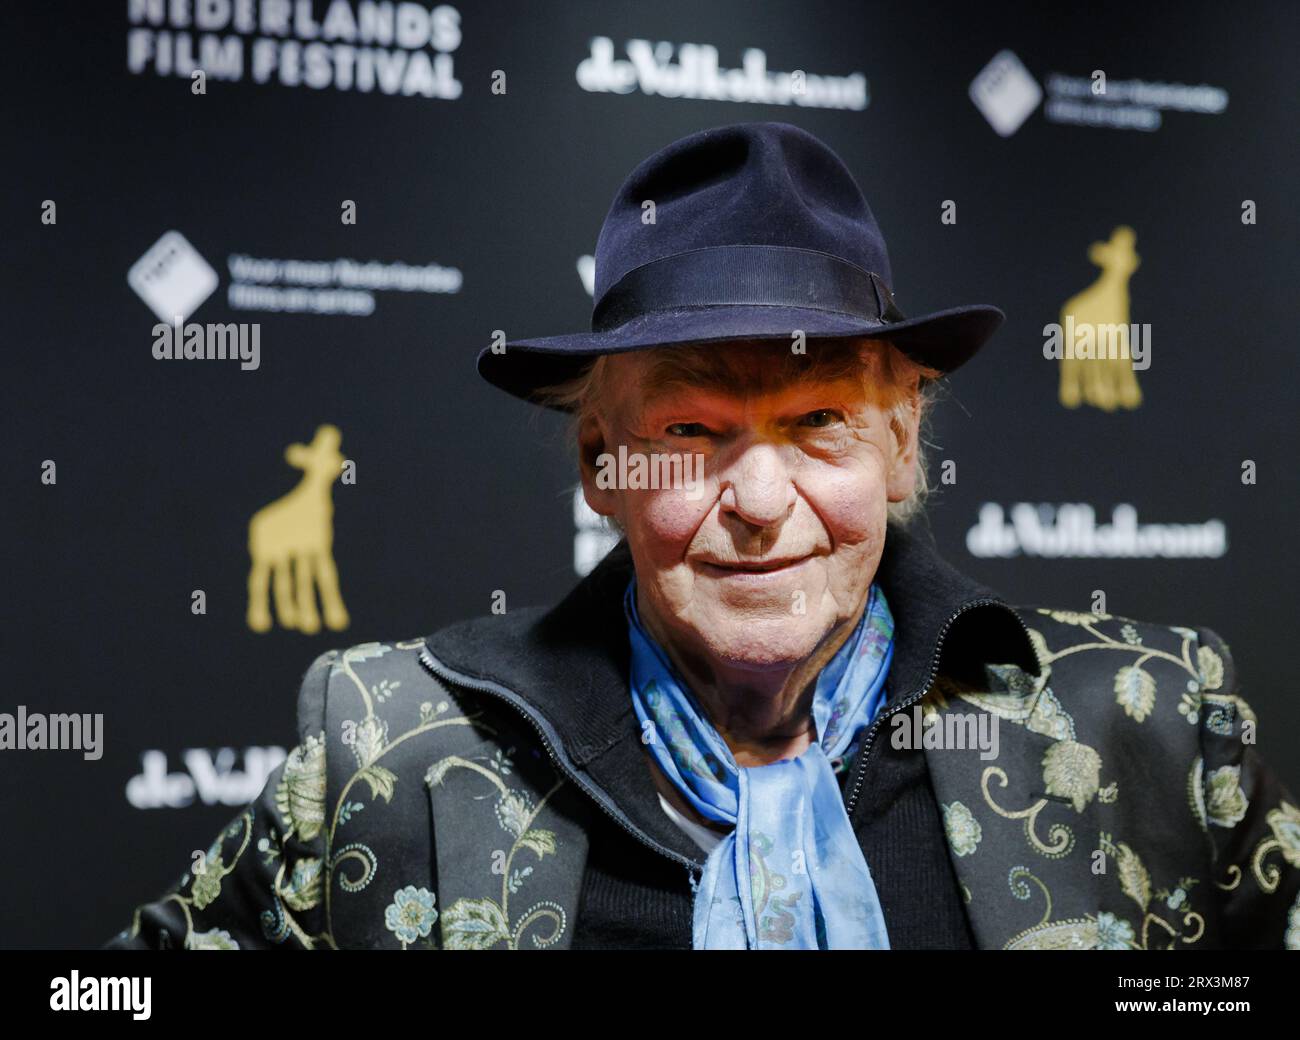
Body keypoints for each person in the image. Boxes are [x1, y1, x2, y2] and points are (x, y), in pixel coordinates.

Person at [106, 122, 1300, 950]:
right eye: (690, 429)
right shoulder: (389, 748)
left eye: (820, 419)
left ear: (899, 447)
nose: (760, 497)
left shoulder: (1146, 717)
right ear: (600, 467)